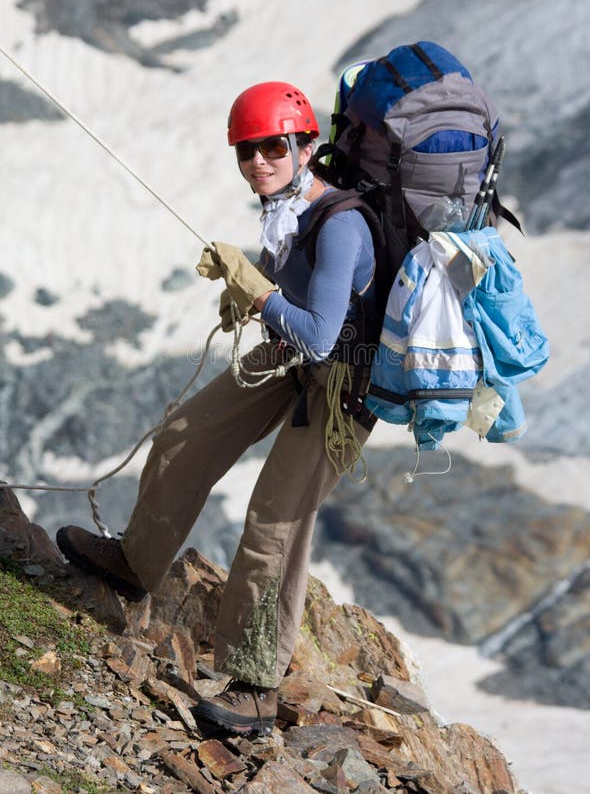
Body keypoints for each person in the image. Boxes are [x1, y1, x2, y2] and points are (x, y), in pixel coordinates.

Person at [56, 80, 377, 735]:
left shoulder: (342, 224)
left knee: (273, 524)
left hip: (345, 387)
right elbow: (290, 304)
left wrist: (257, 295)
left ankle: (256, 684)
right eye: (246, 151)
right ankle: (138, 562)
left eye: (271, 147)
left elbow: (319, 332)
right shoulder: (285, 210)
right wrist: (251, 295)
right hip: (292, 359)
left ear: (306, 146)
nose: (258, 161)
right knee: (183, 435)